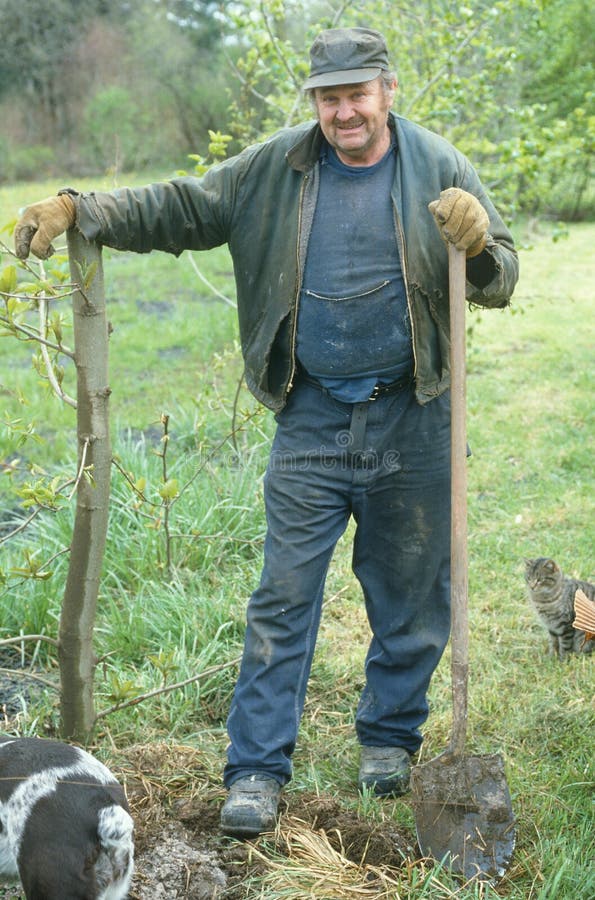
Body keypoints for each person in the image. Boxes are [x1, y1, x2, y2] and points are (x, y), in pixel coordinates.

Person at [15, 26, 519, 839]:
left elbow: (498, 278)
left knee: (412, 593)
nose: (343, 110)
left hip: (414, 412)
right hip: (311, 415)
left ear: (386, 92)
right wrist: (82, 207)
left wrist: (479, 245)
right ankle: (254, 769)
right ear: (313, 101)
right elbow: (183, 206)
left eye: (356, 93)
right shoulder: (275, 168)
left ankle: (389, 742)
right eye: (328, 97)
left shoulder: (439, 166)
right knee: (283, 597)